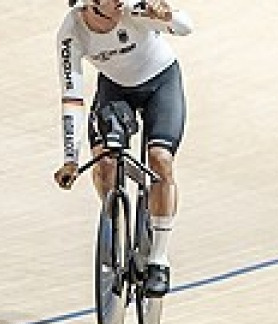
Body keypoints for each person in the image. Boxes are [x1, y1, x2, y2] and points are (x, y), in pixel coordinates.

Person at [53, 0, 193, 298]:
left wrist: (167, 14)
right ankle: (116, 226)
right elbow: (72, 99)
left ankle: (158, 259)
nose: (120, 1)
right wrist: (69, 159)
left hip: (161, 83)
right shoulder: (71, 32)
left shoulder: (133, 8)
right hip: (116, 89)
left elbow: (185, 27)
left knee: (160, 160)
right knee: (104, 161)